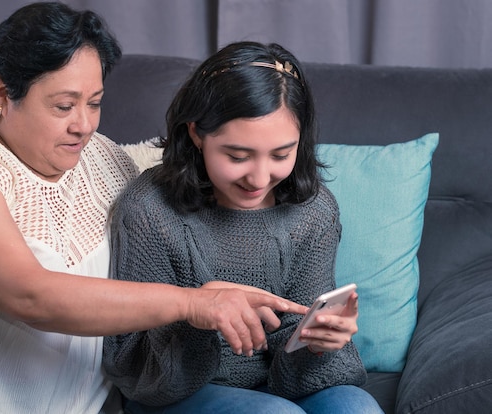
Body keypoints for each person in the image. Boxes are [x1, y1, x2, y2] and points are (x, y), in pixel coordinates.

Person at [0, 4, 305, 413]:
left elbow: (164, 245)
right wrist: (193, 303)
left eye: (94, 103)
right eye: (63, 105)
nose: (84, 125)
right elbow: (30, 295)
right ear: (2, 91)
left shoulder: (103, 159)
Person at [103, 41, 384, 413]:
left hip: (277, 386)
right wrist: (198, 312)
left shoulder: (312, 210)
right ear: (196, 134)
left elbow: (296, 332)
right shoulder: (149, 208)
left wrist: (318, 342)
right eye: (238, 156)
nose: (260, 177)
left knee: (356, 408)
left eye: (282, 154)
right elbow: (131, 358)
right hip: (172, 392)